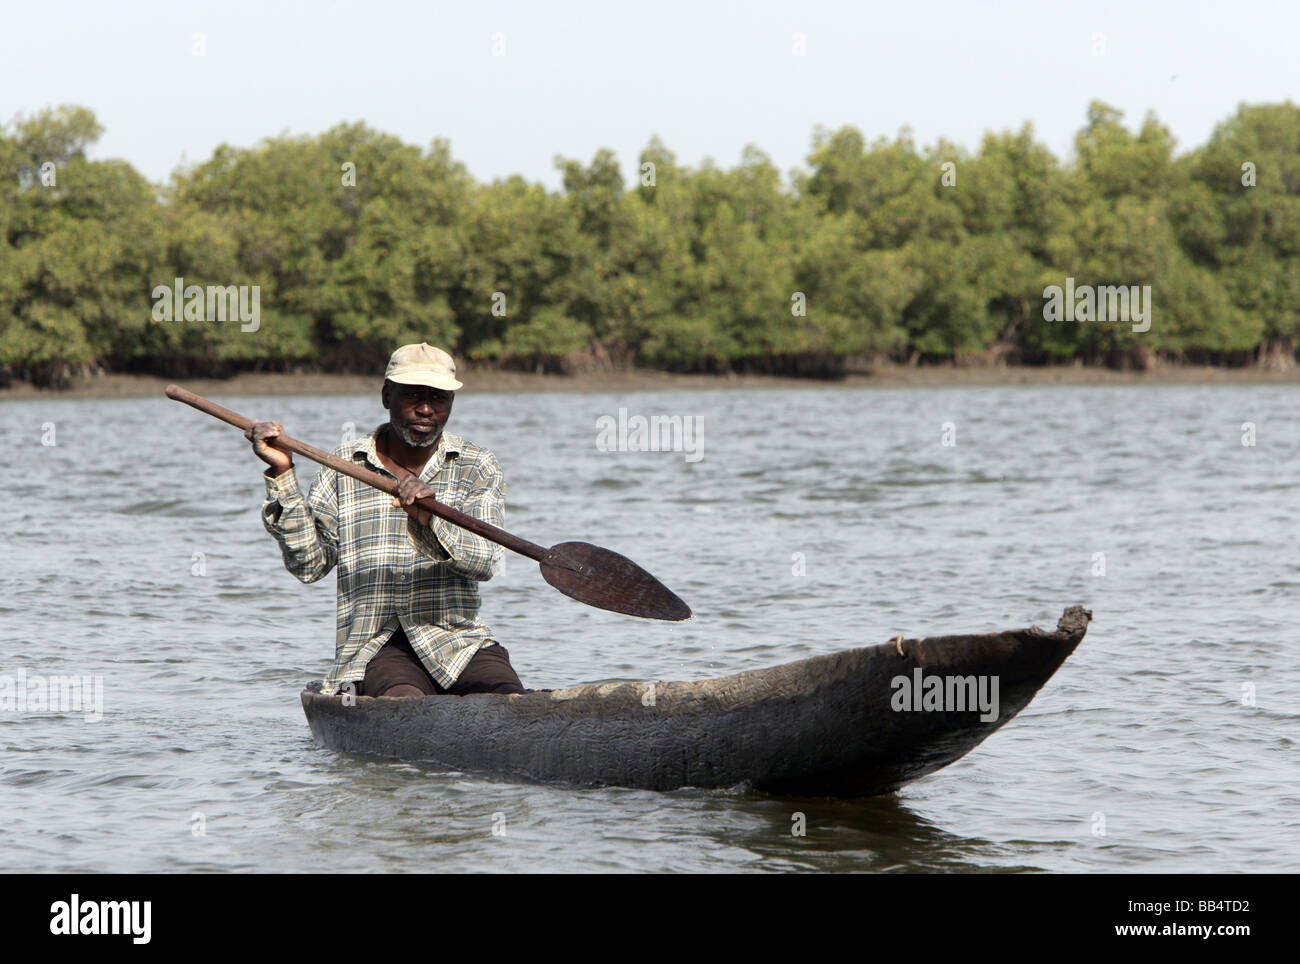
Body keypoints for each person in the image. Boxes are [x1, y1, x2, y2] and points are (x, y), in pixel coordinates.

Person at [246, 343, 525, 698]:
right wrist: (282, 472)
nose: (425, 410)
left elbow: (485, 562)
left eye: (438, 399)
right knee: (404, 703)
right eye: (413, 397)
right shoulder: (343, 465)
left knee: (508, 698)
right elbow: (308, 566)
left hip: (458, 643)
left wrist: (429, 524)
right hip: (374, 647)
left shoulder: (475, 465)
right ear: (386, 396)